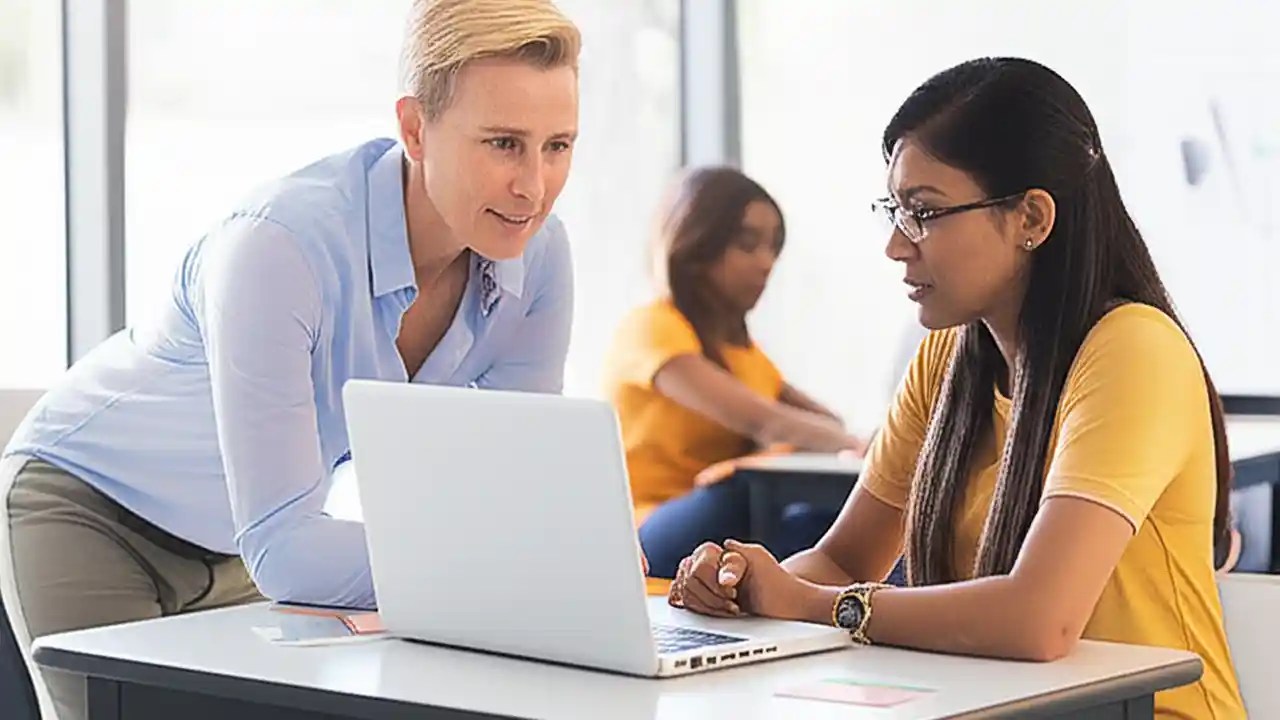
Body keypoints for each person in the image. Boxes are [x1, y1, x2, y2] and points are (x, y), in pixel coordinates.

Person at [0, 2, 580, 718]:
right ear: (413, 129)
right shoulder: (278, 247)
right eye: (503, 144)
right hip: (92, 509)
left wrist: (562, 561)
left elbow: (515, 495)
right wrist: (528, 568)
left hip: (238, 549)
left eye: (558, 146)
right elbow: (289, 546)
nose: (535, 186)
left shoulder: (538, 260)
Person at [667, 58, 1245, 718]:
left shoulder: (1131, 348)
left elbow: (1040, 619)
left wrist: (813, 606)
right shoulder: (946, 356)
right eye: (896, 209)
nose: (895, 244)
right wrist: (740, 585)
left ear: (1031, 218)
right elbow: (842, 558)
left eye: (924, 212)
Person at [602, 167, 866, 581]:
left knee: (828, 525)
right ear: (697, 244)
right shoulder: (653, 327)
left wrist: (848, 446)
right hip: (645, 530)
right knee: (742, 489)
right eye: (747, 244)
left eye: (773, 247)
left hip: (722, 531)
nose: (767, 263)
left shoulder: (746, 353)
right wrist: (863, 448)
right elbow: (763, 419)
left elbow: (824, 423)